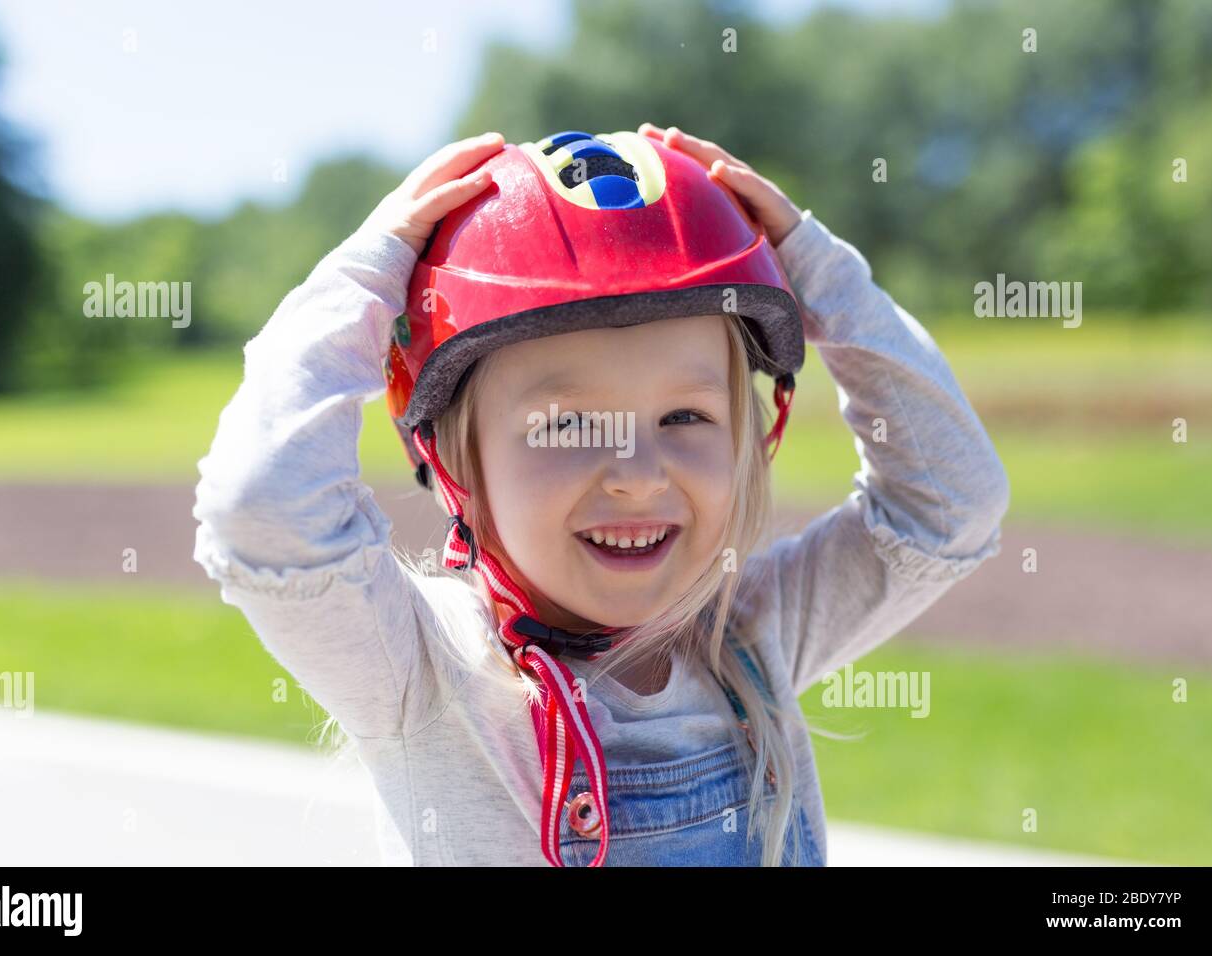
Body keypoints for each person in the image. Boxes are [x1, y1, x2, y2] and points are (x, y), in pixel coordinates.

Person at [192, 125, 1010, 866]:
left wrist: (817, 272)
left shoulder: (751, 637)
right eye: (568, 425)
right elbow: (263, 512)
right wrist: (367, 275)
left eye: (684, 415)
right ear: (453, 458)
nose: (636, 471)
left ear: (749, 435)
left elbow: (950, 507)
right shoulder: (429, 672)